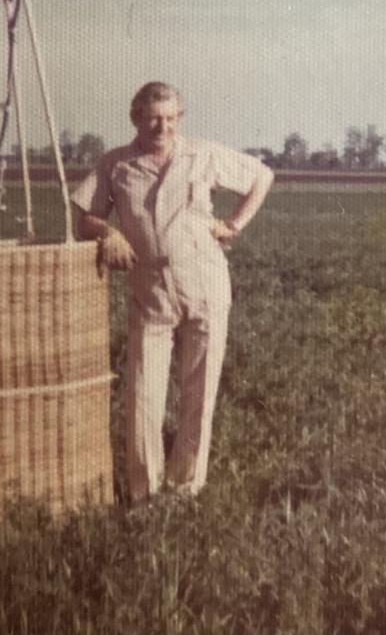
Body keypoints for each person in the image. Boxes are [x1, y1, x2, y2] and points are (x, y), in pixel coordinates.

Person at [70, 81, 274, 502]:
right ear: (135, 118)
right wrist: (108, 232)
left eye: (169, 118)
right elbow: (84, 218)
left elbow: (262, 176)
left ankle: (186, 489)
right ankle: (145, 492)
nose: (161, 127)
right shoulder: (116, 164)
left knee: (200, 388)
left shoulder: (203, 154)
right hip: (151, 286)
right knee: (143, 391)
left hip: (205, 279)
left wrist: (233, 225)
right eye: (152, 118)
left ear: (179, 118)